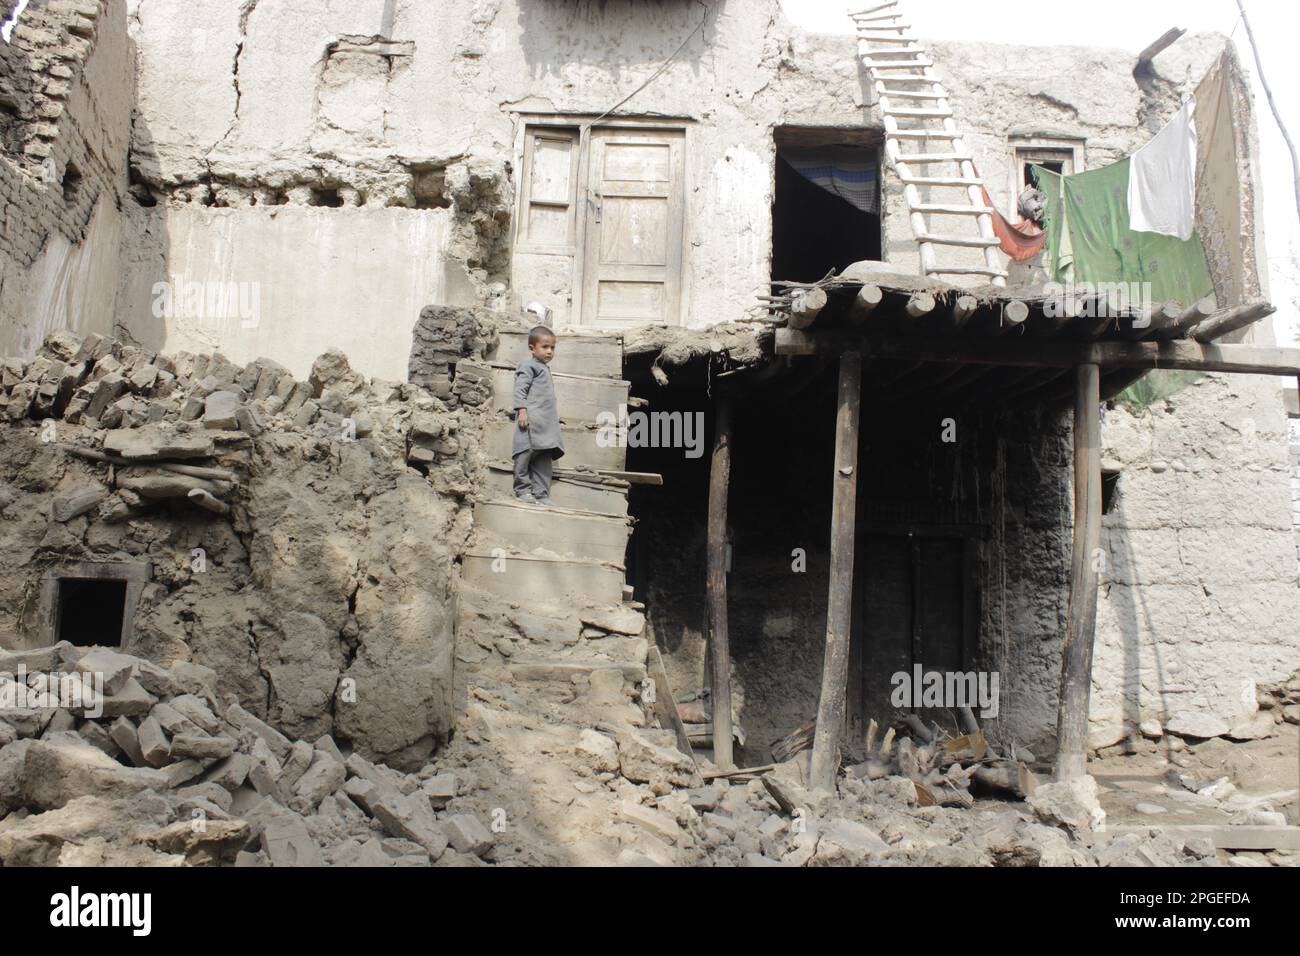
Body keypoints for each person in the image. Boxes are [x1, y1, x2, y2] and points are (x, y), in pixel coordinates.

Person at [512, 325, 564, 505]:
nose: (550, 351)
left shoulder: (544, 368)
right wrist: (522, 410)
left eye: (553, 347)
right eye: (545, 347)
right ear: (532, 348)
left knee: (543, 459)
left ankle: (541, 493)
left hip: (545, 425)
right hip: (529, 422)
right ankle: (522, 490)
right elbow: (520, 389)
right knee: (524, 455)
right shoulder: (528, 366)